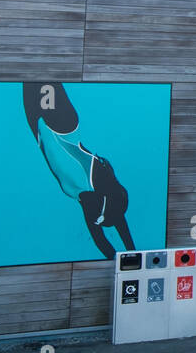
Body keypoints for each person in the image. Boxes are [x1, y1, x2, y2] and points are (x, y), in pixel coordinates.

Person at [23, 82, 135, 259]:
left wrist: (127, 259)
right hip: (63, 127)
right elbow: (113, 233)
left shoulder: (81, 196)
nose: (92, 216)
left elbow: (102, 239)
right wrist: (130, 255)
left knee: (28, 76)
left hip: (38, 129)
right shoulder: (96, 179)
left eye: (96, 219)